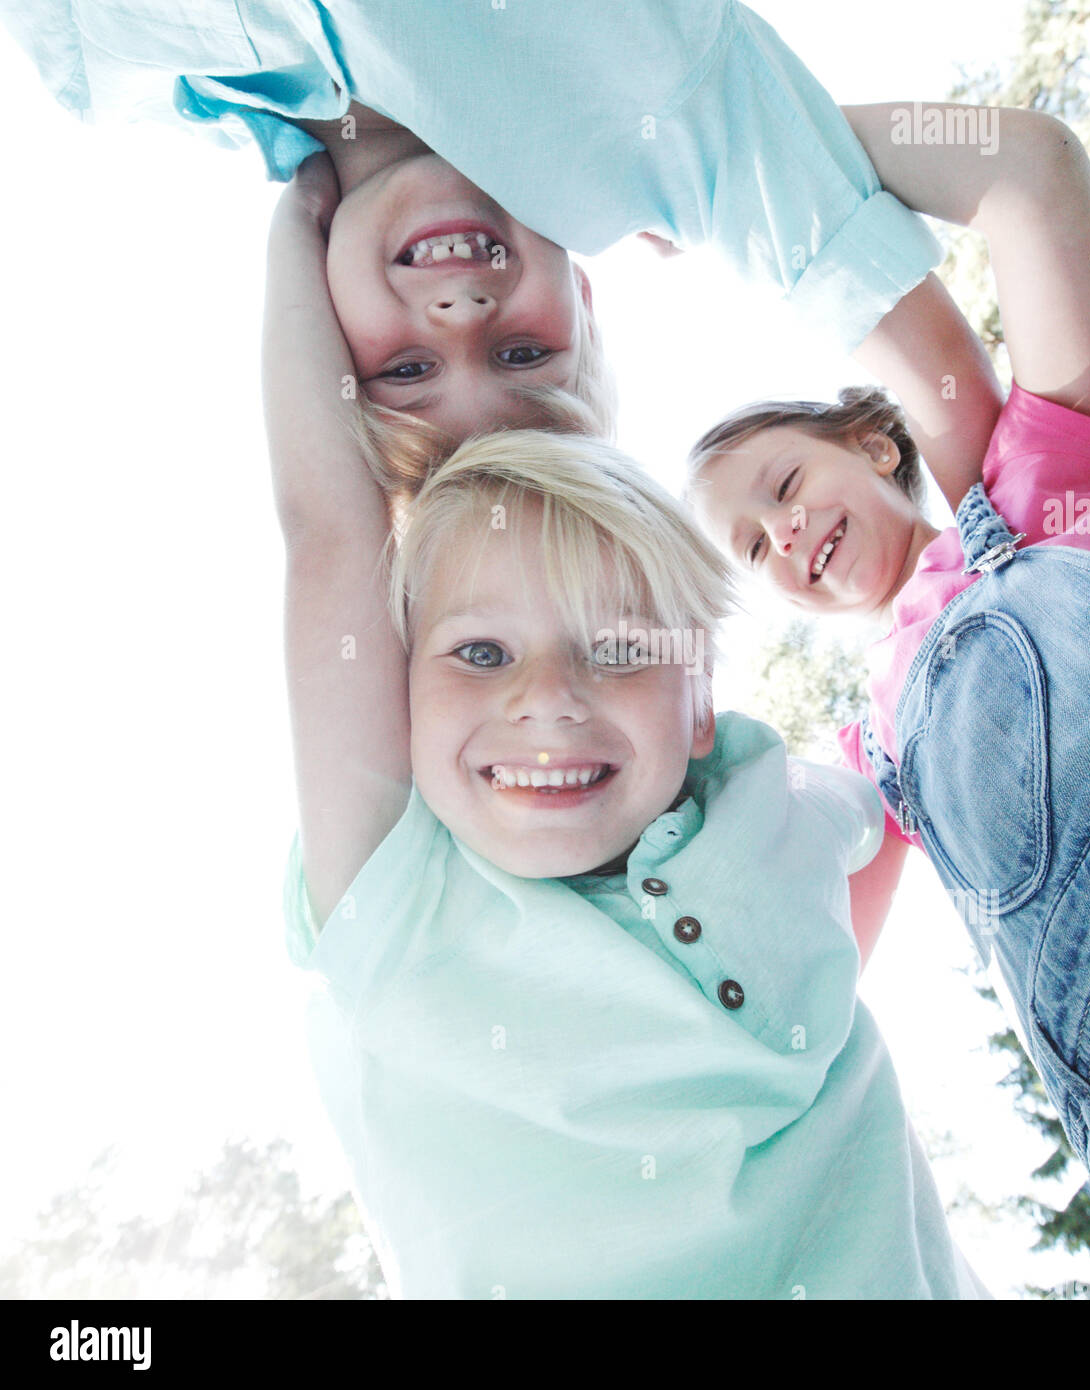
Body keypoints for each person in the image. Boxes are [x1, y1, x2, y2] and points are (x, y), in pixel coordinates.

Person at [265, 157, 986, 1299]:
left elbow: (931, 790)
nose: (545, 695)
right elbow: (329, 533)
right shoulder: (391, 888)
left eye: (618, 651)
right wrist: (294, 230)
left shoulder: (779, 793)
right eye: (480, 653)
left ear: (701, 701)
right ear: (399, 703)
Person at [687, 101, 1090, 1299]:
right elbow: (789, 990)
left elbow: (1030, 174)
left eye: (780, 483)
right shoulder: (872, 760)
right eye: (752, 549)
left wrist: (724, 155)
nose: (784, 533)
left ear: (867, 444)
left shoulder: (1034, 492)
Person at [1, 0, 999, 477]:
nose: (463, 315)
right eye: (528, 355)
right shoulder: (632, 102)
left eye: (404, 373)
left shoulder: (106, 76)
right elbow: (921, 356)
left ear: (320, 348)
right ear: (586, 296)